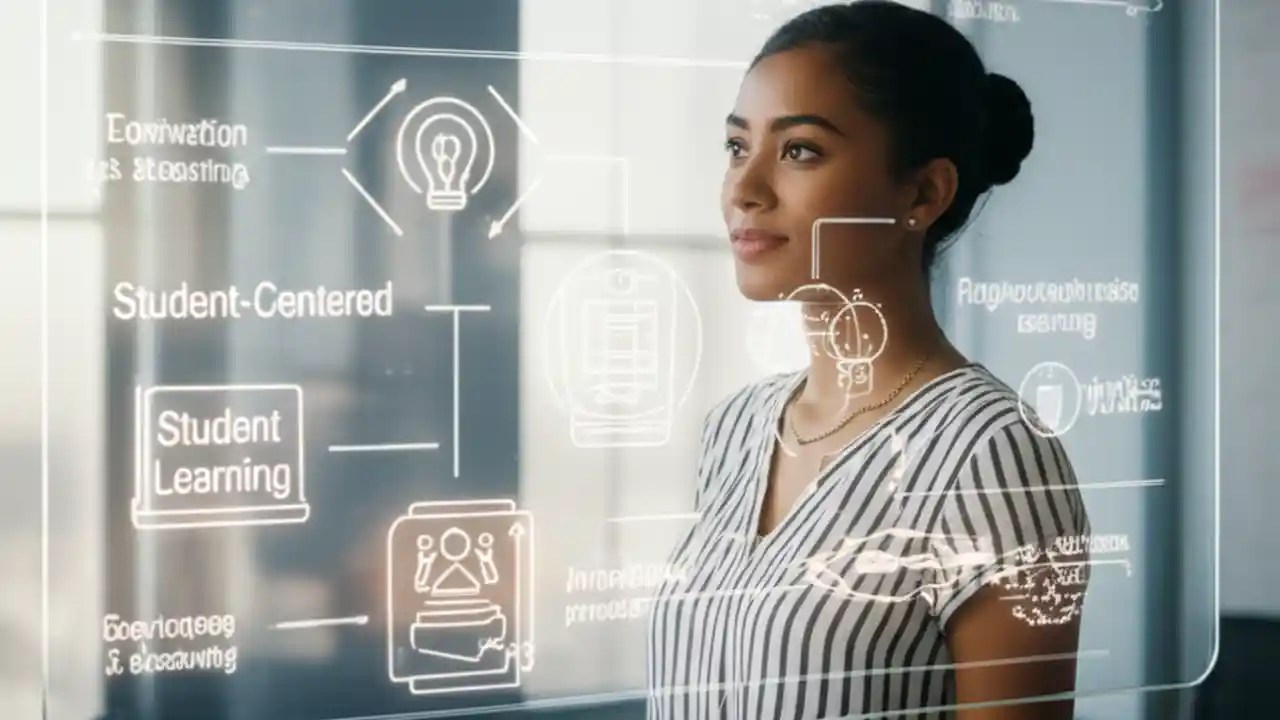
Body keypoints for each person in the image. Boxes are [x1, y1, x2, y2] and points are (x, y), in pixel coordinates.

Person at [645, 2, 1091, 719]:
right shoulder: (735, 428)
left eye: (799, 151)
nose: (743, 189)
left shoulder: (993, 453)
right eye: (737, 147)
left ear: (923, 192)